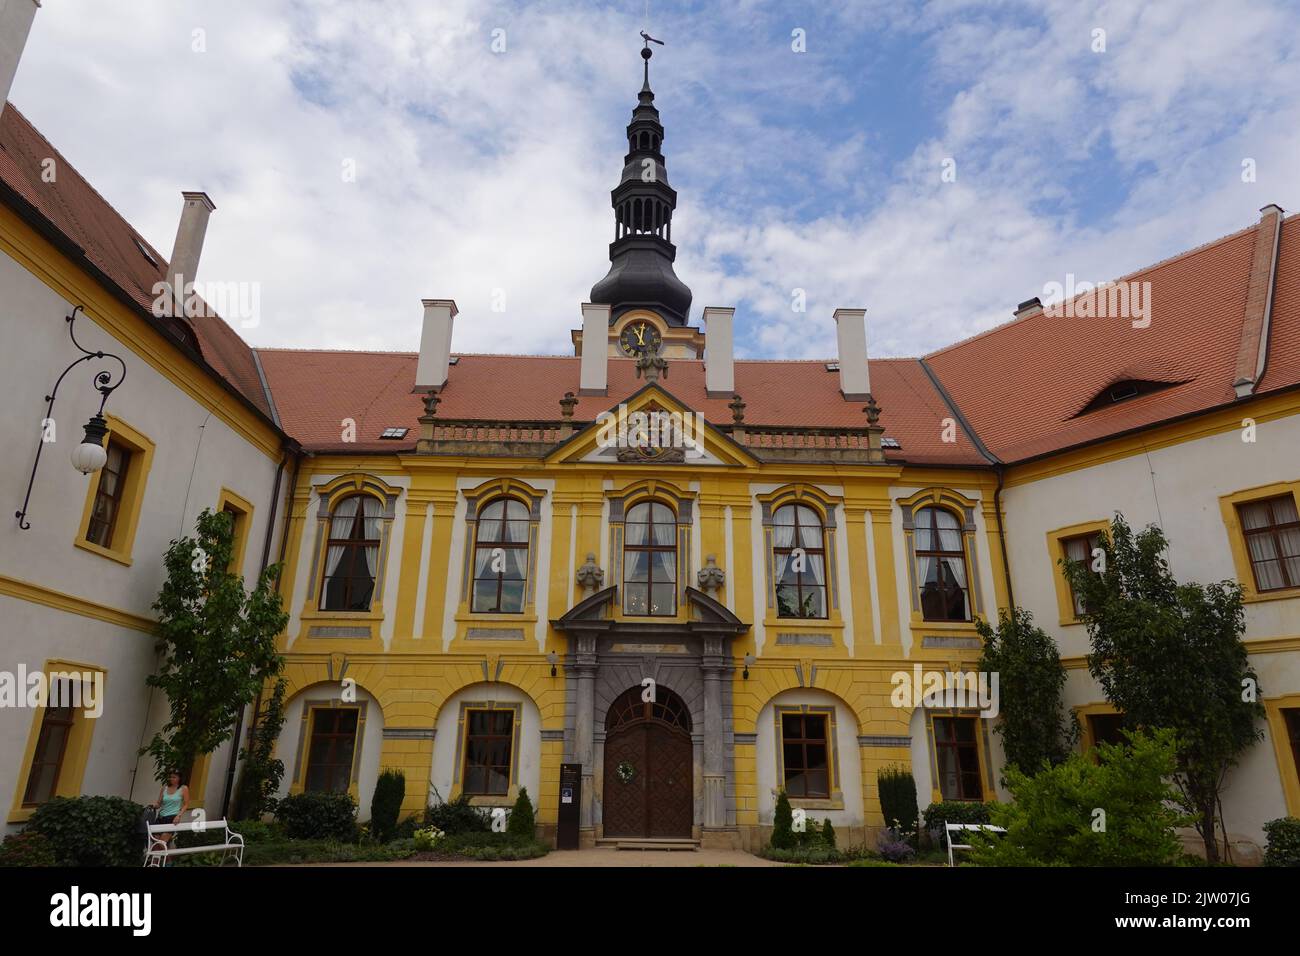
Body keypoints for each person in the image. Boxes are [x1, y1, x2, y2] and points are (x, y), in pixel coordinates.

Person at [150, 770, 190, 859]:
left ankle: (161, 862)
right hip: (160, 818)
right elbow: (159, 803)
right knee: (156, 842)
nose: (171, 779)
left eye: (174, 777)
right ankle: (165, 862)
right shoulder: (164, 788)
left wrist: (179, 815)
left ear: (179, 778)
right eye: (170, 777)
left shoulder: (183, 788)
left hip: (172, 819)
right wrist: (155, 805)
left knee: (161, 842)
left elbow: (186, 804)